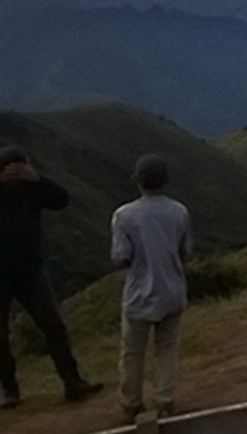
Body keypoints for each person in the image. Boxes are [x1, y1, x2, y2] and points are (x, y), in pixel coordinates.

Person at [0, 148, 103, 409]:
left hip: (31, 271)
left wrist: (37, 179)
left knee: (53, 326)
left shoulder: (32, 189)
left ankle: (72, 381)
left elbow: (61, 200)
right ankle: (9, 390)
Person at [112, 155, 192, 419]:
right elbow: (184, 252)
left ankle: (131, 404)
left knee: (132, 352)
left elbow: (121, 258)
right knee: (166, 348)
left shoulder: (124, 216)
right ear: (166, 180)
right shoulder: (179, 211)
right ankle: (165, 401)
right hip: (172, 289)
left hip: (138, 294)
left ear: (137, 181)